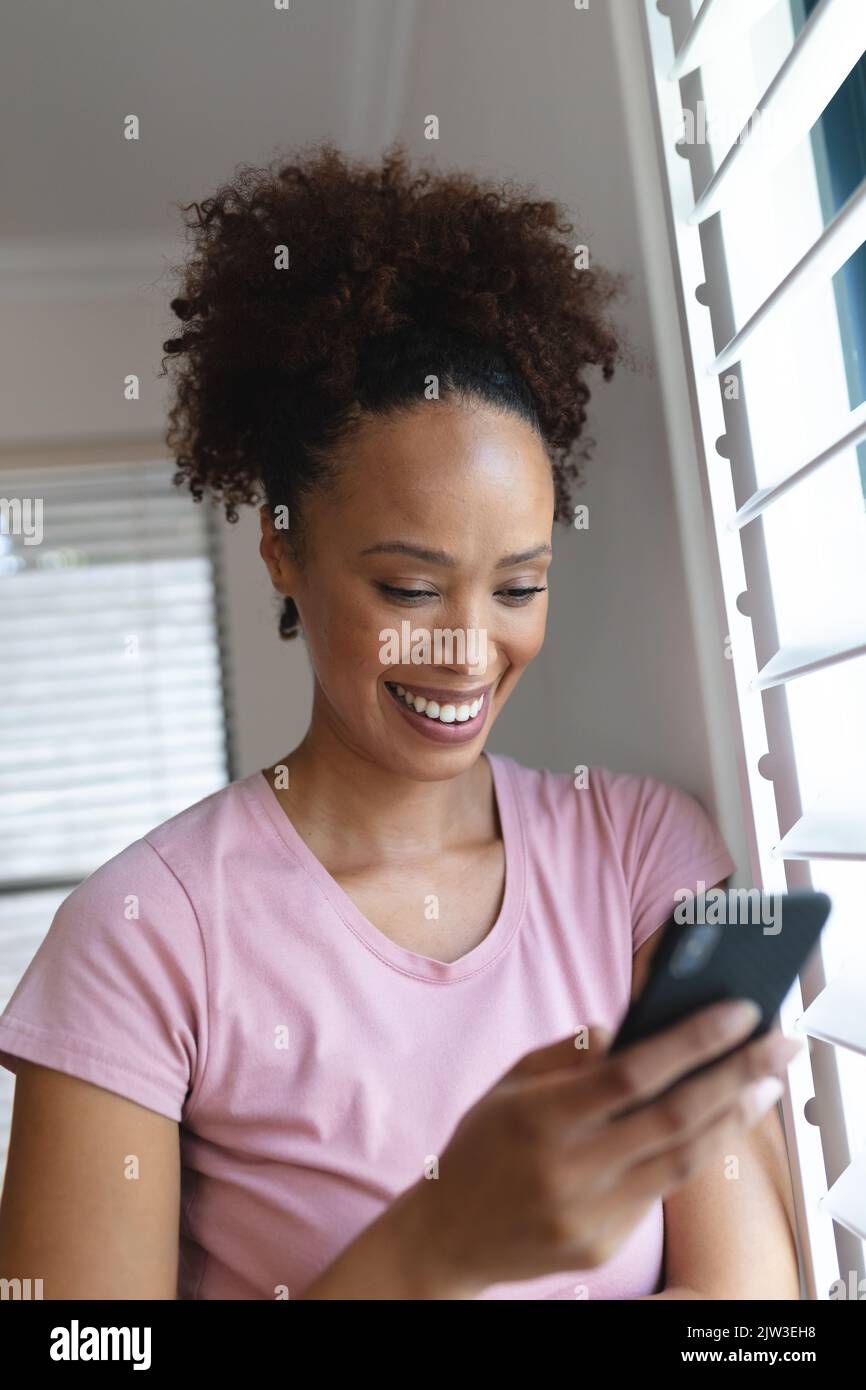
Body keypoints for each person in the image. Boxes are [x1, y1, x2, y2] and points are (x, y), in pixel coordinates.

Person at [0, 143, 801, 1300]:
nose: (470, 651)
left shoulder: (638, 857)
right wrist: (431, 1246)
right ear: (282, 543)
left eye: (517, 586)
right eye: (409, 588)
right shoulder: (143, 938)